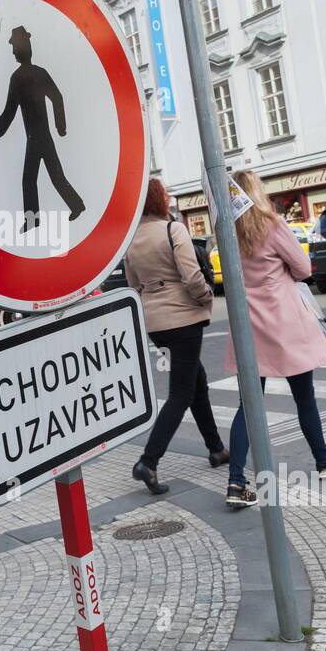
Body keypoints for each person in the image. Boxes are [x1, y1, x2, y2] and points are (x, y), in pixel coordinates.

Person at [222, 170, 326, 508]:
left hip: (247, 325)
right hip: (283, 322)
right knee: (303, 396)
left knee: (248, 405)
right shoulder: (271, 224)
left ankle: (236, 482)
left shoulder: (226, 231)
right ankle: (323, 460)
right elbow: (303, 268)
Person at [124, 178, 230, 495]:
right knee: (181, 392)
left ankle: (216, 448)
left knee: (195, 379)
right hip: (183, 319)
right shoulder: (173, 230)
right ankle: (149, 461)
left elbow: (132, 284)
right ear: (160, 200)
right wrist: (206, 299)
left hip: (156, 324)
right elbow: (191, 274)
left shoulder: (131, 240)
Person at [0, 25, 85, 233]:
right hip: (43, 136)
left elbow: (9, 111)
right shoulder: (39, 73)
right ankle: (76, 205)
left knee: (30, 179)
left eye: (14, 48)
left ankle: (34, 219)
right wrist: (60, 127)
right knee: (55, 175)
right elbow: (57, 98)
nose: (13, 52)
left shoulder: (18, 78)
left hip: (35, 138)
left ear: (21, 49)